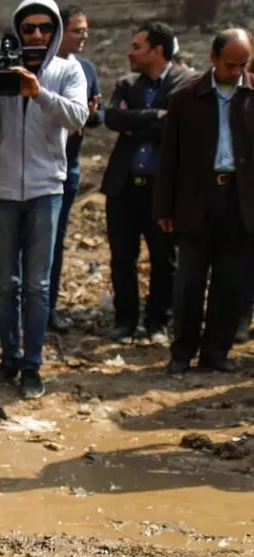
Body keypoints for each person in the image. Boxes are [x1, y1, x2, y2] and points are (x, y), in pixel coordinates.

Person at [0, 0, 88, 399]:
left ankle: (32, 366)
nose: (37, 36)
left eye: (44, 28)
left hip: (46, 189)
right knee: (7, 282)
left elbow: (77, 118)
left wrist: (39, 93)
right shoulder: (4, 67)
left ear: (54, 30)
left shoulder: (67, 69)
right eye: (29, 28)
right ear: (18, 31)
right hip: (2, 189)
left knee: (38, 285)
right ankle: (8, 359)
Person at [155, 29, 254, 374]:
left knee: (230, 283)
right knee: (190, 283)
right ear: (213, 59)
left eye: (243, 65)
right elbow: (170, 157)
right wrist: (164, 207)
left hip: (240, 202)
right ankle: (182, 352)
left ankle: (216, 353)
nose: (237, 72)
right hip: (198, 200)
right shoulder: (185, 97)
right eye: (230, 65)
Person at [101, 22, 188, 344]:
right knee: (122, 257)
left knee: (164, 259)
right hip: (123, 186)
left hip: (161, 189)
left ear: (158, 50)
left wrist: (135, 122)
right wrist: (155, 117)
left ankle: (157, 322)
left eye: (137, 46)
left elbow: (177, 128)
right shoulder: (126, 83)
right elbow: (112, 118)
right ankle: (125, 321)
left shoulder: (185, 84)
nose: (130, 52)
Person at [47, 5, 103, 333]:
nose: (84, 36)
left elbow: (99, 113)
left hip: (69, 167)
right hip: (37, 165)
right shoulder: (40, 68)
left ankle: (48, 307)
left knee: (55, 241)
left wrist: (89, 115)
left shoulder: (86, 69)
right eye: (77, 30)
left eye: (86, 30)